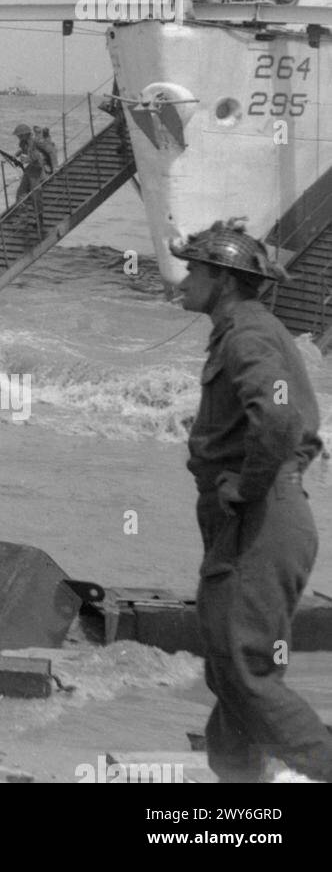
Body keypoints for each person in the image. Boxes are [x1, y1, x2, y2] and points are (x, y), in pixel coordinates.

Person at [171, 219, 332, 783]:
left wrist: (248, 484)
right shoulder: (241, 328)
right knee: (230, 664)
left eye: (195, 269)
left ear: (223, 279)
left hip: (261, 516)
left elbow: (281, 416)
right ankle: (240, 790)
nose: (184, 278)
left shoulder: (246, 334)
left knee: (244, 668)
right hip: (256, 517)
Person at [10, 122, 49, 204]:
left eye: (20, 135)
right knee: (20, 193)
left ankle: (38, 212)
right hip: (30, 169)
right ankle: (22, 210)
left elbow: (37, 156)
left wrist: (26, 159)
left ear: (25, 134)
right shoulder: (23, 142)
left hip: (37, 169)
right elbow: (23, 149)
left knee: (35, 193)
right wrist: (15, 155)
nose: (18, 137)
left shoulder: (34, 142)